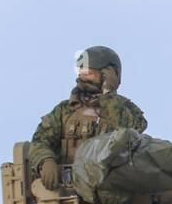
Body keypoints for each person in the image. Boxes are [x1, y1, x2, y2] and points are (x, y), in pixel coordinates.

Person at [30, 46, 147, 191]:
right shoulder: (64, 111)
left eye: (89, 73)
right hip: (67, 194)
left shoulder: (126, 110)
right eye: (81, 73)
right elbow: (40, 141)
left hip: (111, 192)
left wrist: (108, 96)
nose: (82, 78)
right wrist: (46, 160)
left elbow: (132, 132)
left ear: (109, 74)